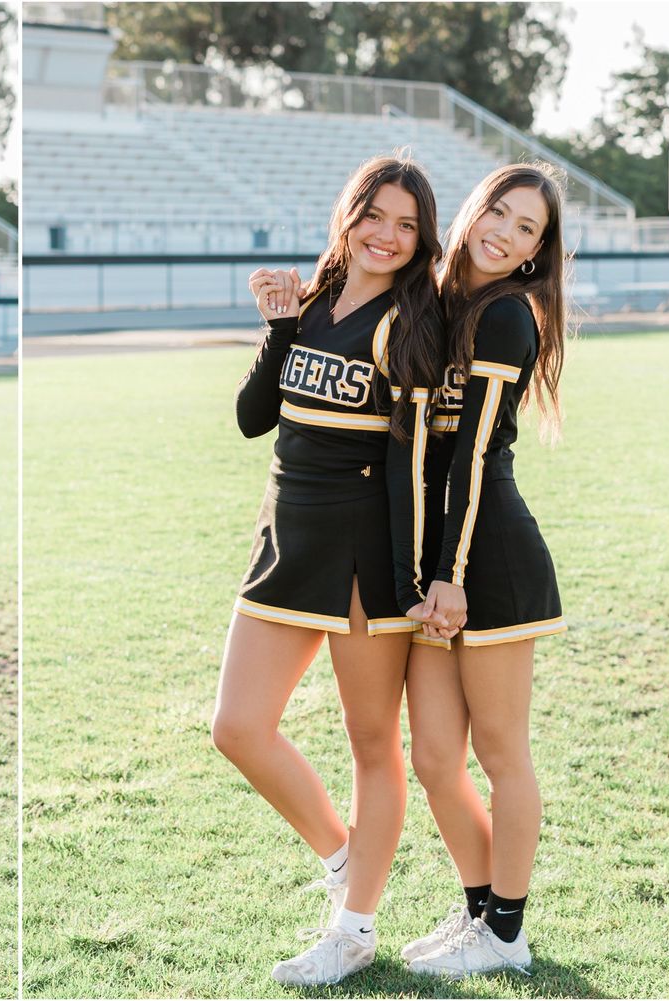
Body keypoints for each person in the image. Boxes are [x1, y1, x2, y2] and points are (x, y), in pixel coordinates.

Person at [212, 155, 446, 986]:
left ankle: (354, 929)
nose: (386, 234)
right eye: (373, 215)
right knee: (236, 727)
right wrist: (276, 325)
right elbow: (251, 419)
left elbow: (432, 453)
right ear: (348, 216)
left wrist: (427, 571)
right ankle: (348, 855)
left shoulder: (415, 316)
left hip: (362, 550)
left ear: (422, 240)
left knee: (372, 743)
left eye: (406, 224)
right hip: (286, 537)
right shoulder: (308, 304)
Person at [386, 163, 569, 978]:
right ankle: (476, 911)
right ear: (474, 208)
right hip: (435, 564)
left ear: (537, 253)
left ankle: (507, 934)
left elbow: (472, 457)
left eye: (527, 229)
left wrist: (449, 576)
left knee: (501, 753)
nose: (506, 231)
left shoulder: (505, 318)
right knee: (431, 755)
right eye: (500, 211)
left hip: (486, 561)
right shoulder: (431, 297)